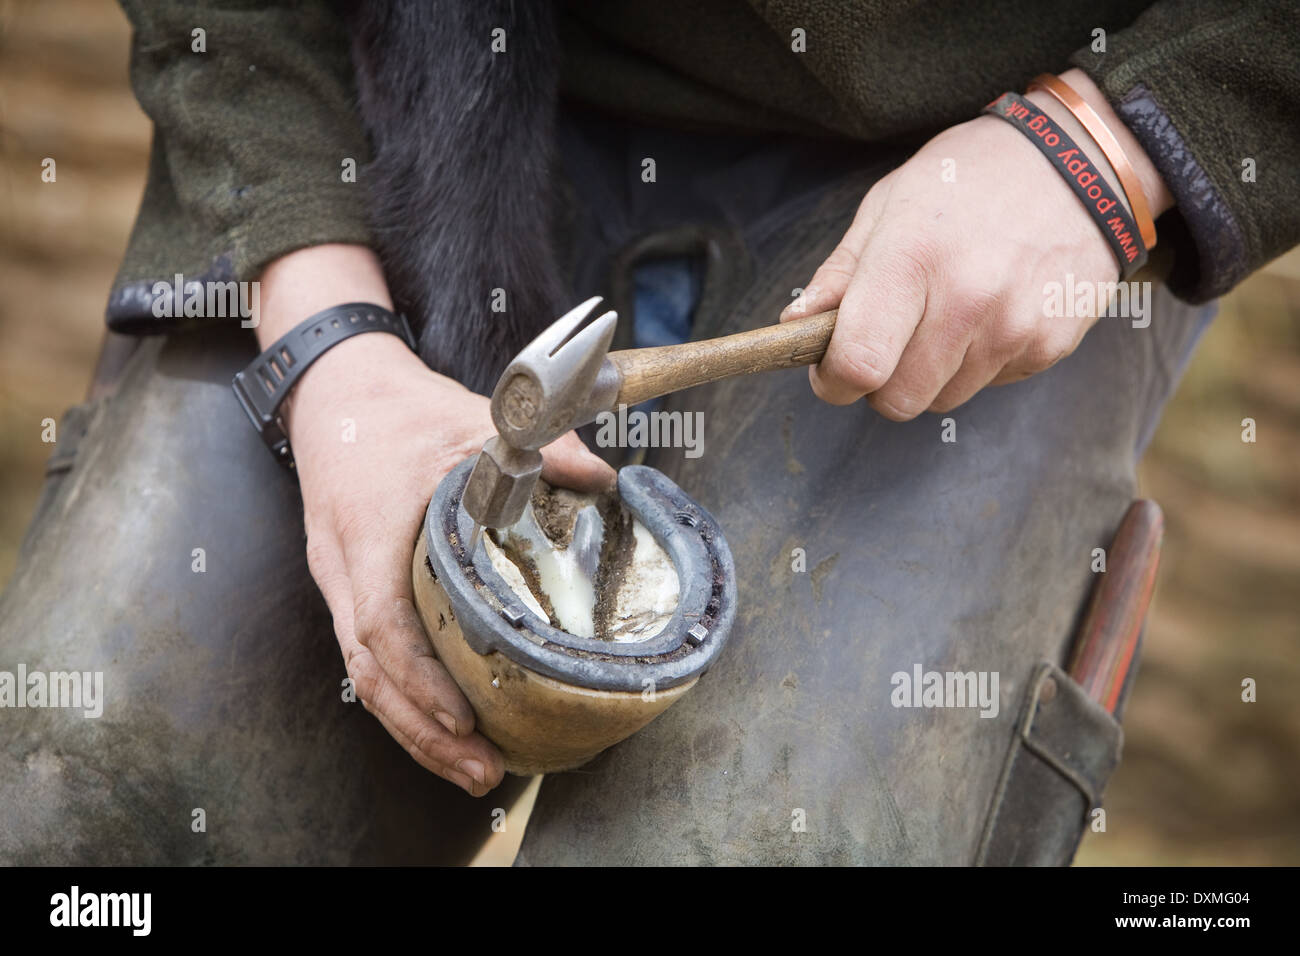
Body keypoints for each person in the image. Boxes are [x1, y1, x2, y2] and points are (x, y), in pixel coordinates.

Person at [1, 0, 1295, 865]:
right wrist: (326, 344)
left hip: (1015, 148)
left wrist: (1119, 142)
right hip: (389, 87)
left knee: (760, 841)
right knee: (96, 798)